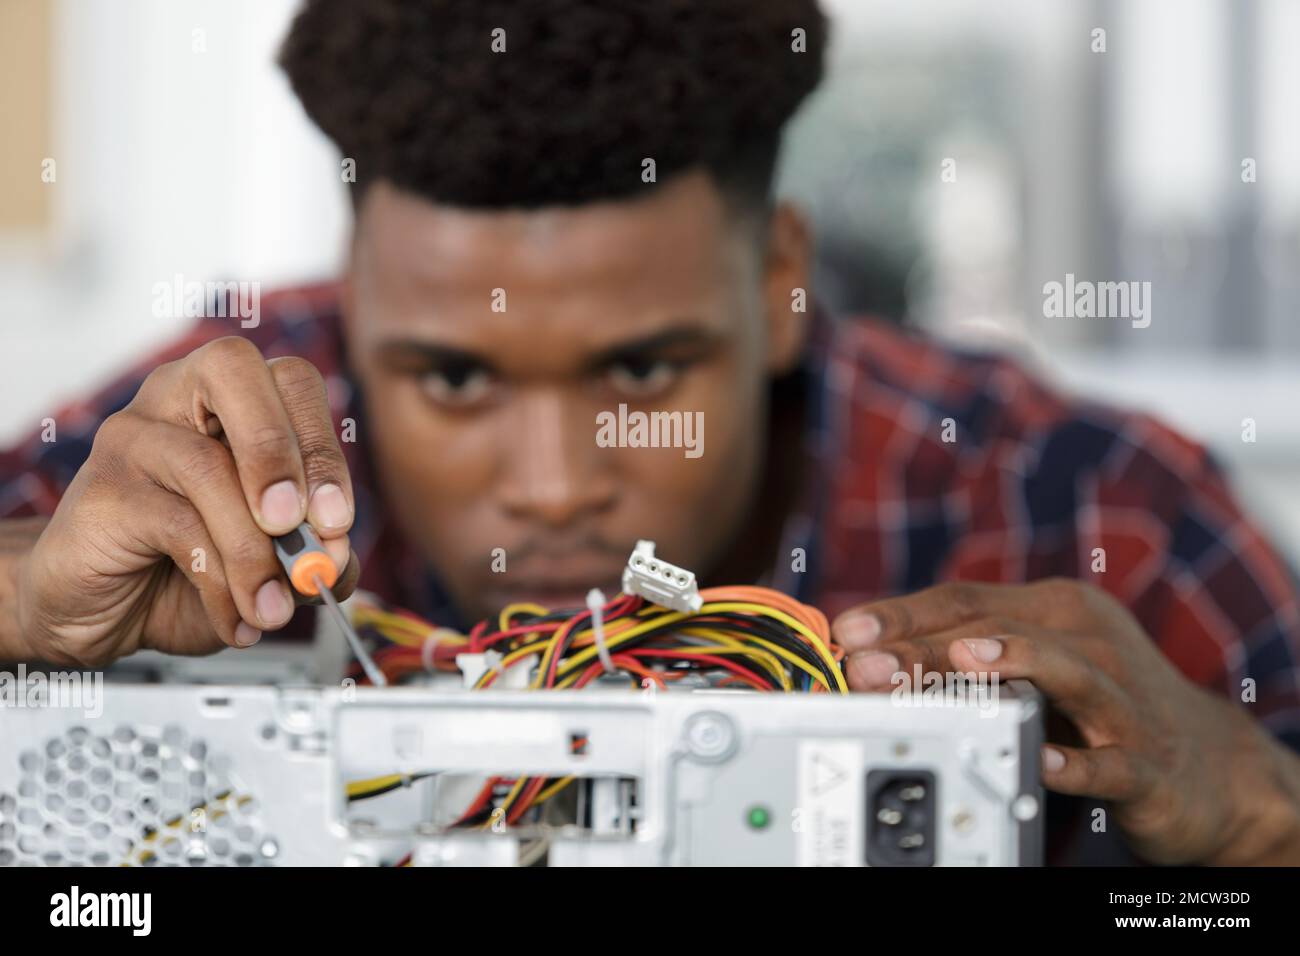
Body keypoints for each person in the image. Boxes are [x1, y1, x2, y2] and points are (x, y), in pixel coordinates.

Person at [1, 0, 1298, 866]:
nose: (555, 488)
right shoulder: (225, 441)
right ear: (357, 296)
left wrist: (1256, 812)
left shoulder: (1102, 515)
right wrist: (25, 607)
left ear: (781, 280)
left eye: (643, 365)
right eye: (452, 378)